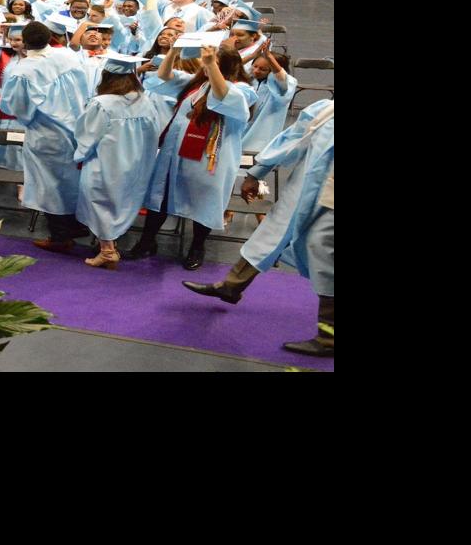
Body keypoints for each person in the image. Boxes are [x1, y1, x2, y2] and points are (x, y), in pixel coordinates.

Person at [183, 102, 334, 356]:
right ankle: (231, 286)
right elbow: (292, 139)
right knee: (271, 232)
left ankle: (329, 337)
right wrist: (256, 173)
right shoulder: (326, 109)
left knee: (324, 251)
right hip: (305, 187)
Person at [131, 43, 253, 270]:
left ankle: (197, 247)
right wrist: (174, 51)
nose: (205, 64)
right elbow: (164, 75)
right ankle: (146, 242)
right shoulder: (196, 84)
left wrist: (210, 65)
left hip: (209, 159)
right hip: (175, 153)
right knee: (162, 196)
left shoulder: (242, 90)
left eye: (212, 61)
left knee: (203, 201)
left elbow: (223, 95)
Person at [0, 19, 90, 253]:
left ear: (25, 43)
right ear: (50, 37)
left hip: (46, 132)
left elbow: (12, 105)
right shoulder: (68, 56)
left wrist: (29, 117)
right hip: (77, 126)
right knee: (71, 180)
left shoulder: (25, 69)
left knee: (49, 185)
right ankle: (77, 225)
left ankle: (60, 236)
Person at [72, 53, 162, 269]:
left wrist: (80, 154)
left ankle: (108, 251)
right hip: (136, 164)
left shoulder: (102, 103)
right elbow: (154, 133)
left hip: (106, 162)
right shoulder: (146, 101)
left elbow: (88, 134)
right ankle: (110, 245)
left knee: (100, 201)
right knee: (121, 202)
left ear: (106, 77)